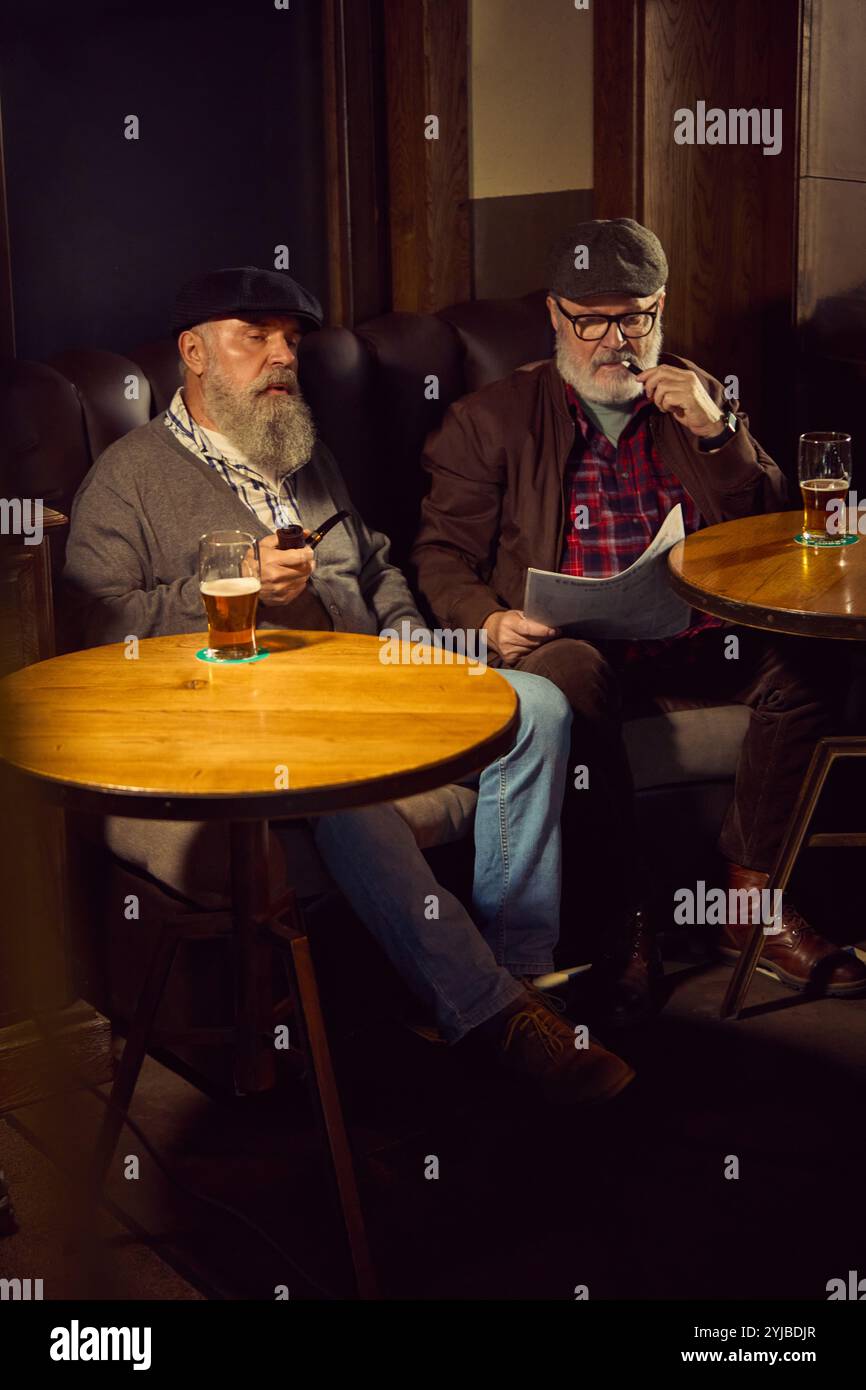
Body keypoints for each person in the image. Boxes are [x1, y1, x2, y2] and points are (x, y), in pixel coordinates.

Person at [61, 265, 635, 1105]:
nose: (280, 357)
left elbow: (374, 563)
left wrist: (408, 639)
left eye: (290, 341)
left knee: (540, 704)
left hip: (377, 694)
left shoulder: (304, 450)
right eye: (253, 338)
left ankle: (518, 969)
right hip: (265, 728)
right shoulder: (129, 478)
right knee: (343, 796)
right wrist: (236, 590)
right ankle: (490, 1014)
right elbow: (99, 627)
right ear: (192, 353)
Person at [411, 219, 866, 1020]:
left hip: (690, 634)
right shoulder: (491, 419)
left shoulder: (690, 395)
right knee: (569, 674)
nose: (615, 341)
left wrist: (719, 430)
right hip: (570, 644)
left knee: (814, 653)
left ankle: (750, 899)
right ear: (556, 314)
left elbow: (771, 531)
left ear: (660, 308)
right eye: (592, 319)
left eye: (636, 318)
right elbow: (441, 556)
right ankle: (627, 920)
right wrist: (486, 620)